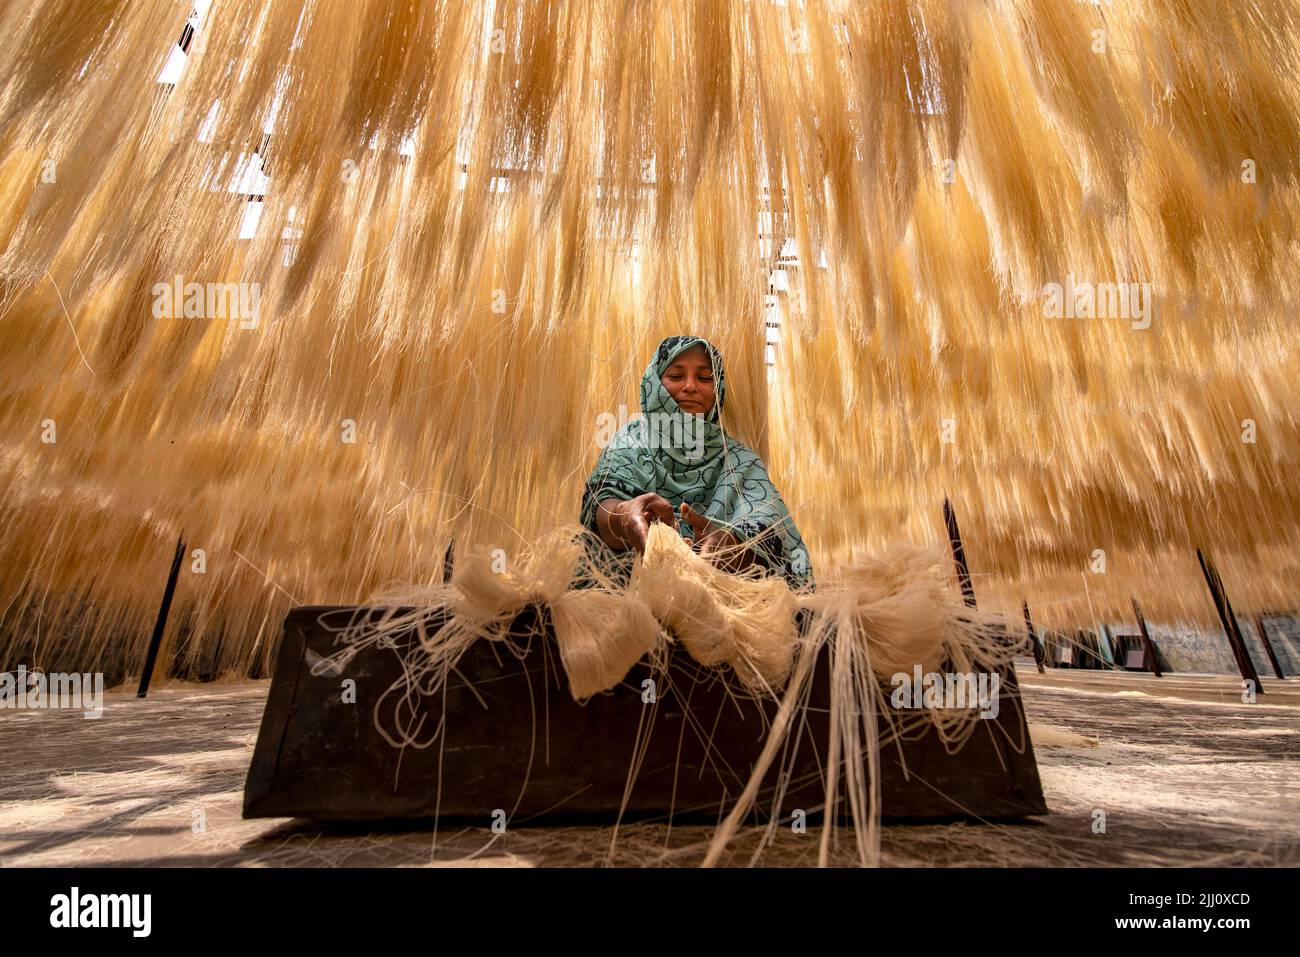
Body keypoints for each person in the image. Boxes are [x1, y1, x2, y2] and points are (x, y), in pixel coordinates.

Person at [579, 334, 813, 589]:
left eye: (704, 377)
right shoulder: (629, 441)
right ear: (654, 384)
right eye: (676, 376)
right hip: (624, 599)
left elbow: (771, 529)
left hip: (722, 607)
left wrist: (730, 547)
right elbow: (600, 503)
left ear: (719, 389)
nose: (690, 386)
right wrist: (625, 517)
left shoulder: (740, 463)